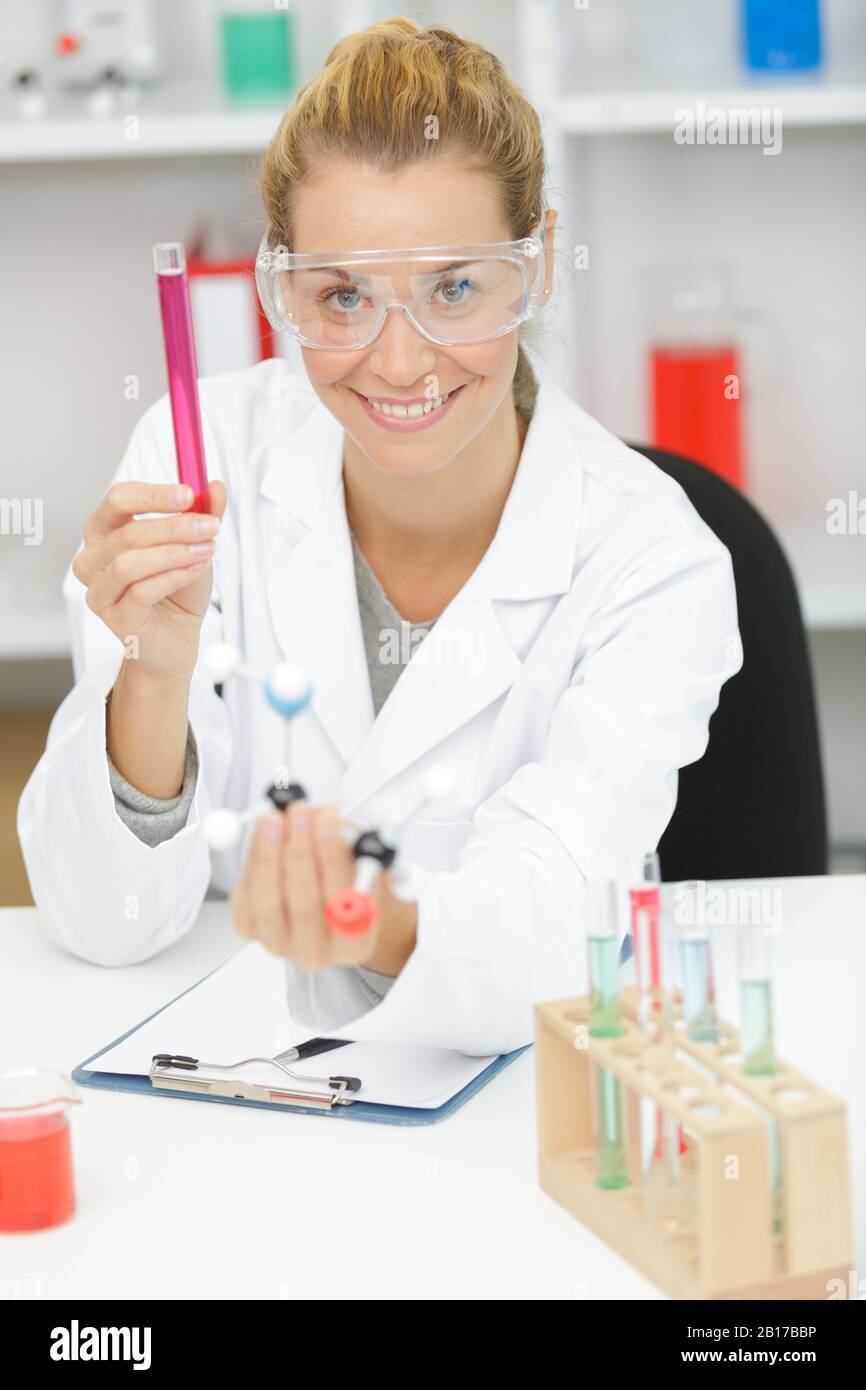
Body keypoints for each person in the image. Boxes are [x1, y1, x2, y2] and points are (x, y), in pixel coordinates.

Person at [18, 18, 742, 1056]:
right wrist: (152, 672)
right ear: (285, 287)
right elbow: (104, 924)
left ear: (533, 263)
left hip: (504, 1138)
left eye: (454, 287)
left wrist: (370, 918)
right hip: (226, 1117)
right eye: (343, 295)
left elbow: (555, 933)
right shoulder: (199, 459)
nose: (398, 363)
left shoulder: (649, 560)